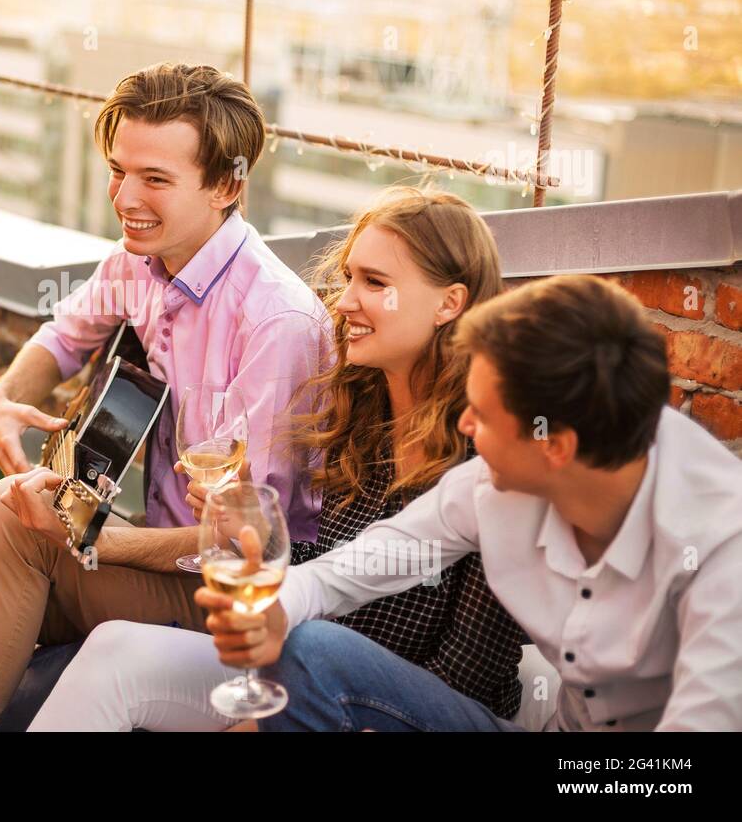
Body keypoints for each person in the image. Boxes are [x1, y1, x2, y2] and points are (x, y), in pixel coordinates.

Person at [0, 62, 332, 731]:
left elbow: (247, 541)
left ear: (227, 184)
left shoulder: (275, 321)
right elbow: (60, 339)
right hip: (146, 552)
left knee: (10, 519)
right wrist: (3, 400)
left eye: (155, 179)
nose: (125, 198)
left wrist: (91, 535)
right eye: (119, 170)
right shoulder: (140, 262)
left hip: (229, 599)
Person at [30, 186, 530, 731]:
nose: (343, 302)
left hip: (403, 710)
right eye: (350, 278)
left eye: (376, 283)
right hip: (294, 666)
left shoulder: (495, 455)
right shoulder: (354, 411)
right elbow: (311, 569)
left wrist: (295, 709)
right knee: (115, 653)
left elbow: (472, 674)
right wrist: (246, 528)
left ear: (449, 303)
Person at [204, 274, 742, 731]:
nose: (463, 426)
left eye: (480, 415)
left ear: (554, 445)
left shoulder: (720, 550)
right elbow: (373, 558)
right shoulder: (500, 481)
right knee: (309, 649)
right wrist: (277, 608)